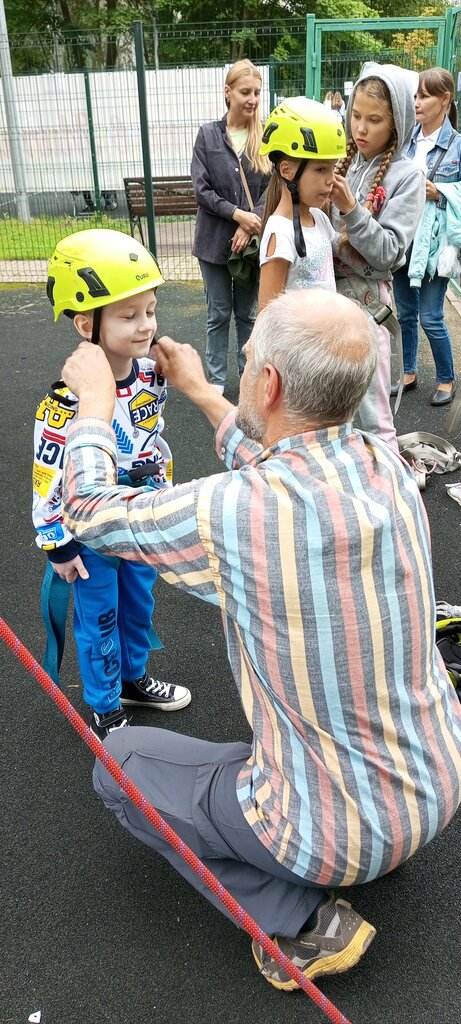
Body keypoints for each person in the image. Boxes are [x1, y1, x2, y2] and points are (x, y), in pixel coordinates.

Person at [60, 288, 461, 989]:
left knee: (120, 760)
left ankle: (299, 923)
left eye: (246, 363)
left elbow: (91, 511)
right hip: (437, 785)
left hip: (335, 835)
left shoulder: (234, 514)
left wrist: (93, 402)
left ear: (269, 384)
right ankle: (357, 846)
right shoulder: (386, 465)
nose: (241, 370)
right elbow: (275, 456)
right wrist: (201, 392)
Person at [33, 228, 191, 740]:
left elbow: (154, 440)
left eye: (150, 310)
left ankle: (132, 678)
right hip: (90, 536)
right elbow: (47, 476)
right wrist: (56, 543)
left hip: (140, 520)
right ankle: (104, 705)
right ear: (87, 323)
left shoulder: (150, 375)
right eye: (129, 315)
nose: (146, 326)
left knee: (140, 606)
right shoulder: (64, 403)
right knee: (99, 617)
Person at [329, 62, 426, 451]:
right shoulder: (346, 161)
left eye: (374, 120)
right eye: (355, 115)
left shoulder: (408, 177)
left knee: (372, 414)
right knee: (332, 409)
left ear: (397, 123)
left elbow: (387, 256)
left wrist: (351, 211)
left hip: (368, 310)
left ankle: (391, 498)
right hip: (327, 304)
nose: (361, 128)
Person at [191, 59, 271, 393]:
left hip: (250, 245)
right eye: (244, 92)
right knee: (218, 314)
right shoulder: (208, 135)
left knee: (248, 314)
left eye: (256, 92)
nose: (252, 99)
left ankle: (249, 377)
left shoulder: (265, 136)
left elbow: (275, 185)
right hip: (213, 243)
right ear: (228, 92)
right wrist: (237, 216)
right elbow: (201, 189)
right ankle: (218, 381)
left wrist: (250, 226)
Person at [391, 68, 461, 406]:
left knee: (431, 316)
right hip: (403, 239)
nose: (416, 102)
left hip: (434, 246)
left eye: (424, 96)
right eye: (415, 96)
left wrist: (442, 192)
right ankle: (408, 370)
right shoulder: (406, 141)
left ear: (445, 100)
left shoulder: (457, 146)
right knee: (404, 313)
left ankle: (446, 377)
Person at [257, 97, 346, 309]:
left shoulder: (319, 218)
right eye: (321, 169)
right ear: (287, 170)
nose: (331, 179)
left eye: (333, 168)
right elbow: (266, 314)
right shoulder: (280, 233)